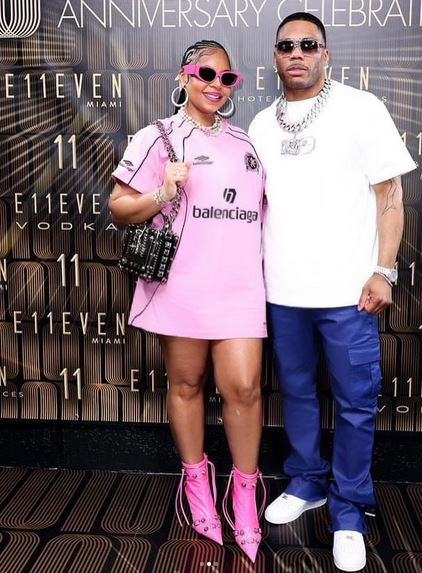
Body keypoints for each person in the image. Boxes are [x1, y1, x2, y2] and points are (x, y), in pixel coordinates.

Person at [248, 12, 416, 572]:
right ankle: (306, 482)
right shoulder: (261, 125)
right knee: (295, 393)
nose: (296, 53)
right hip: (282, 292)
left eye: (308, 44)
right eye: (286, 45)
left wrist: (384, 270)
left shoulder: (361, 108)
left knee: (354, 403)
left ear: (325, 53)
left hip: (349, 293)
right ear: (275, 57)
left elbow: (390, 195)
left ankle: (348, 510)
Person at [109, 40, 266, 563]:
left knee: (244, 388)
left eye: (227, 78)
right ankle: (197, 487)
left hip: (240, 286)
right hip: (184, 285)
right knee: (187, 384)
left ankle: (245, 496)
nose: (216, 85)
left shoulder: (245, 142)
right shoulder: (158, 137)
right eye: (205, 74)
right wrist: (162, 192)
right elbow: (118, 207)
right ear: (184, 76)